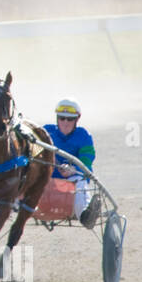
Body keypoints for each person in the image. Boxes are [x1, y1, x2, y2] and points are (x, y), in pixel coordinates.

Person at [45, 97, 99, 227]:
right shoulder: (46, 132)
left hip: (72, 182)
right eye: (62, 118)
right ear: (57, 118)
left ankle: (85, 216)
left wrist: (73, 170)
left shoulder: (84, 136)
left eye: (70, 119)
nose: (65, 122)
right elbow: (33, 154)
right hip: (48, 180)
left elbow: (87, 162)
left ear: (77, 119)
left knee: (79, 180)